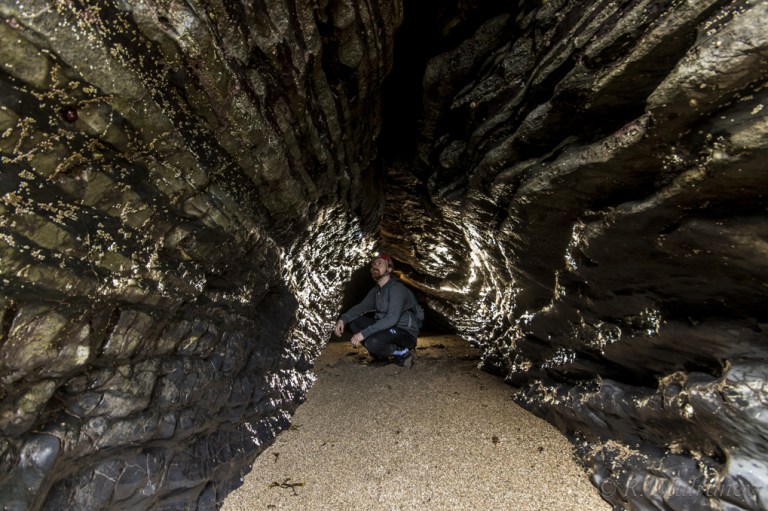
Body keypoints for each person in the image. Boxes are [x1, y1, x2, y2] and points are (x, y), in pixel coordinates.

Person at [334, 253, 420, 367]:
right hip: (388, 327)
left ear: (389, 269)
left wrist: (364, 334)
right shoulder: (376, 291)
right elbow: (360, 308)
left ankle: (403, 353)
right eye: (374, 264)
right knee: (355, 322)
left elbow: (392, 319)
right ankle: (381, 357)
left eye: (380, 263)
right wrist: (343, 319)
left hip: (404, 332)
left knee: (372, 342)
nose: (375, 265)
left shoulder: (397, 289)